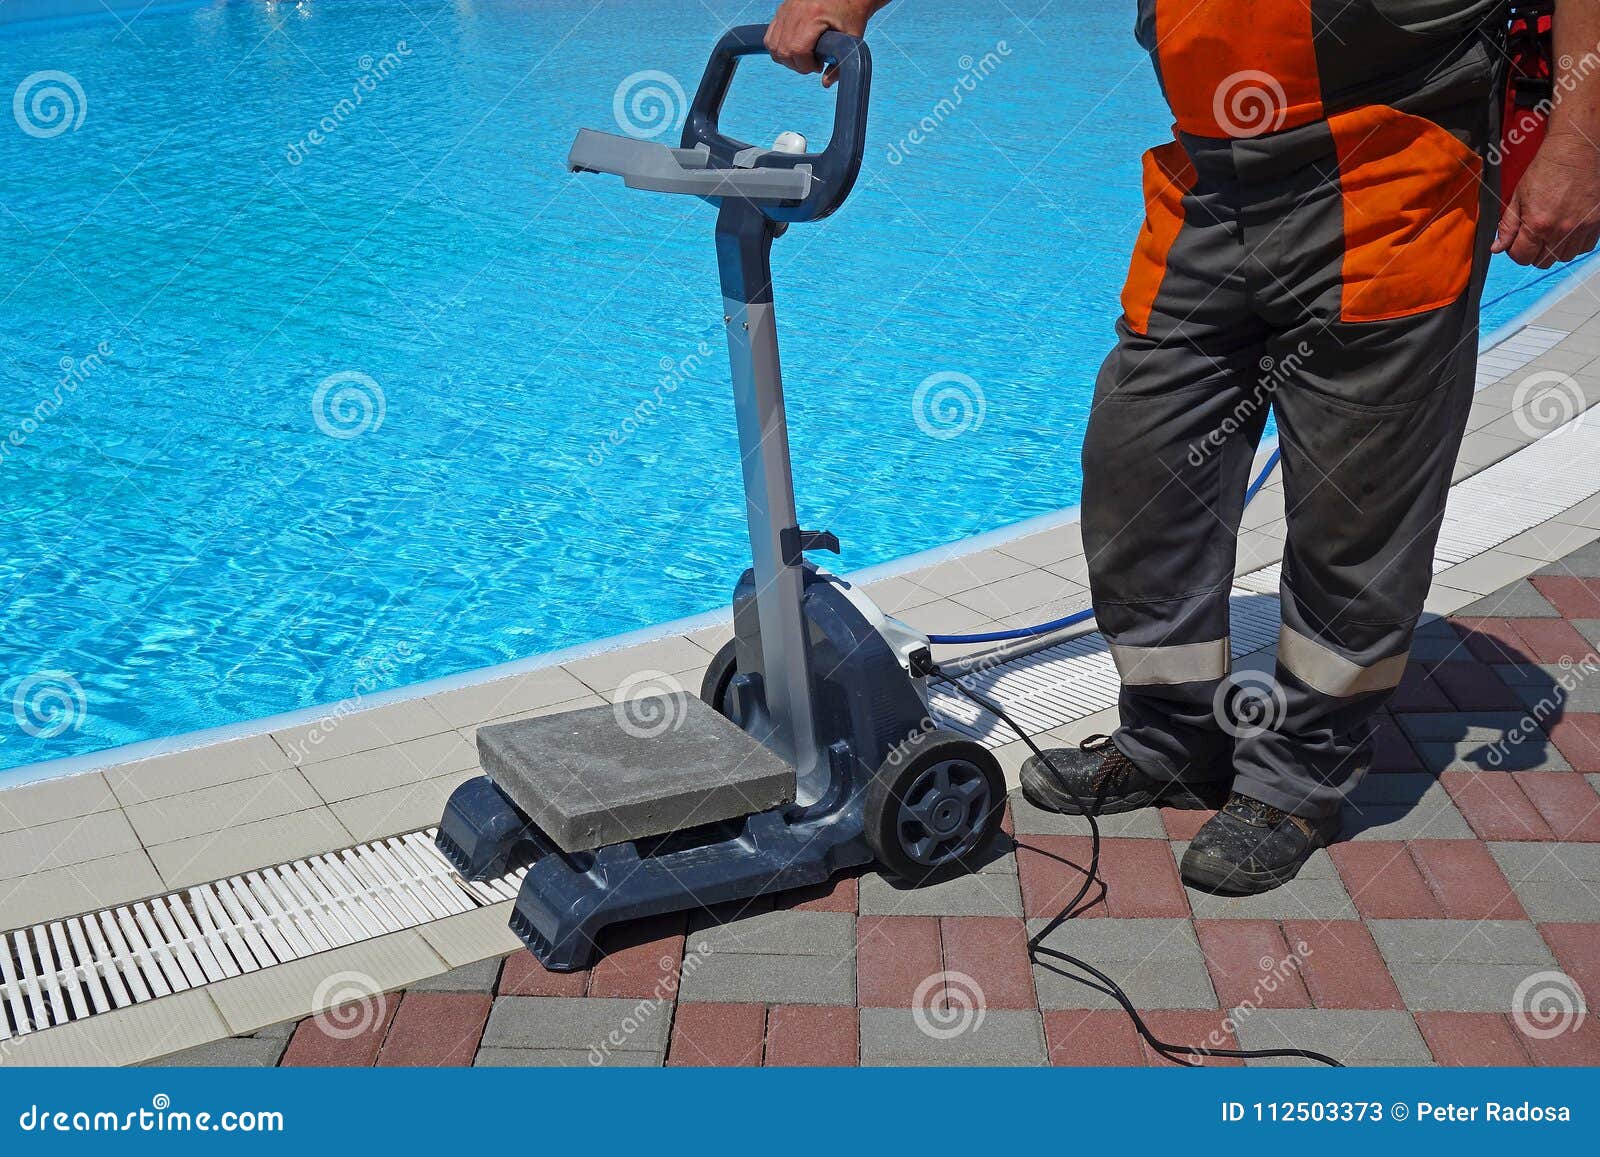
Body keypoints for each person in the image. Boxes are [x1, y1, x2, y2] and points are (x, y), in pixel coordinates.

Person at [764, 0, 1600, 892]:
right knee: (1141, 460)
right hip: (1213, 178)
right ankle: (1172, 737)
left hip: (1390, 170)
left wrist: (1581, 144)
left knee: (1357, 511)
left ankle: (1297, 778)